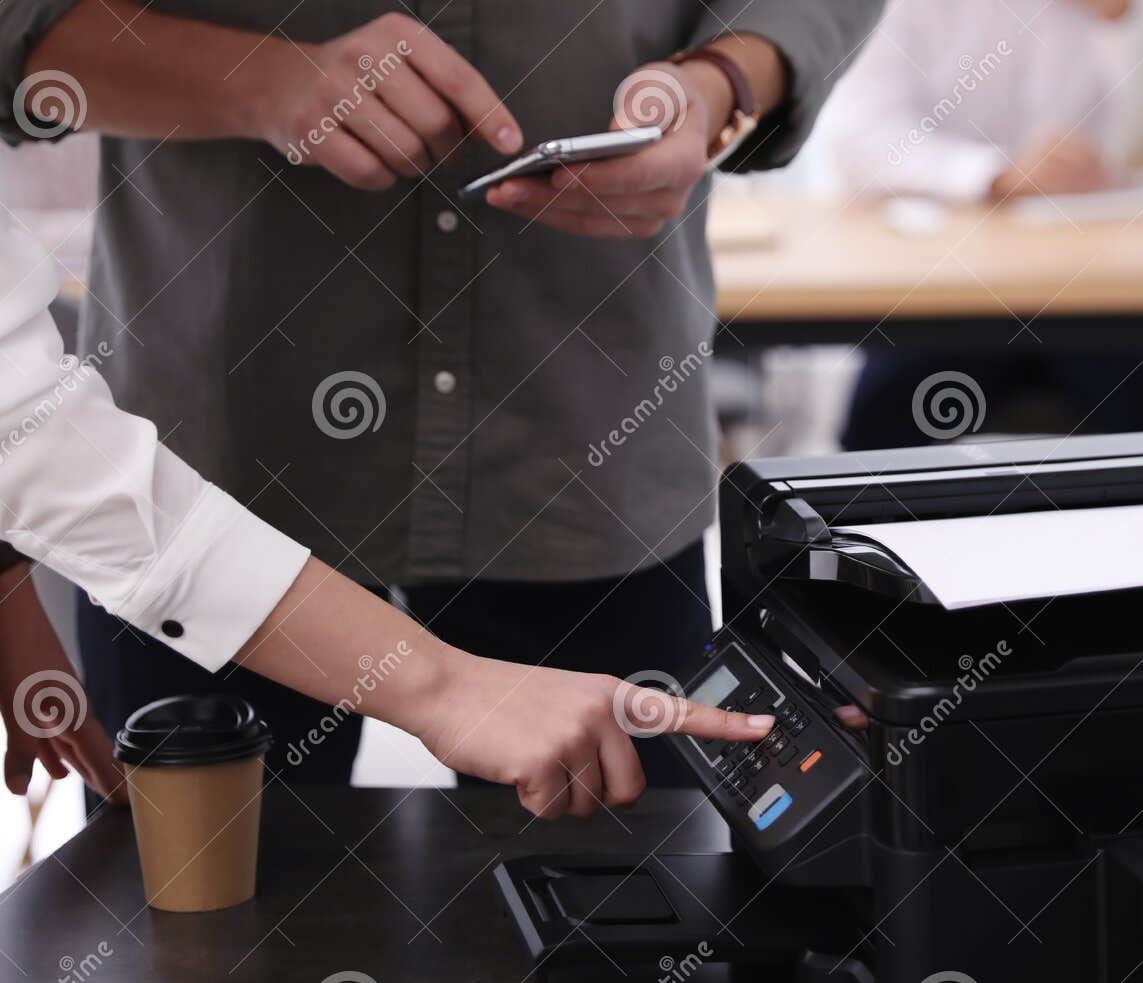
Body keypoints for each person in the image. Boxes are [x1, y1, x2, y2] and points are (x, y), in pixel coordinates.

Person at [0, 1, 880, 787]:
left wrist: (726, 79)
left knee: (626, 924)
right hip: (211, 456)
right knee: (201, 944)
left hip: (591, 438)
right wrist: (261, 80)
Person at [1, 220, 773, 816]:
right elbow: (27, 430)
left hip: (579, 464)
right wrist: (449, 690)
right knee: (186, 953)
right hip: (220, 444)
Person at [815, 0, 1143, 450]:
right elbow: (858, 137)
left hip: (1118, 293)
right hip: (949, 294)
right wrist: (996, 175)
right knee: (877, 439)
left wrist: (1119, 22)